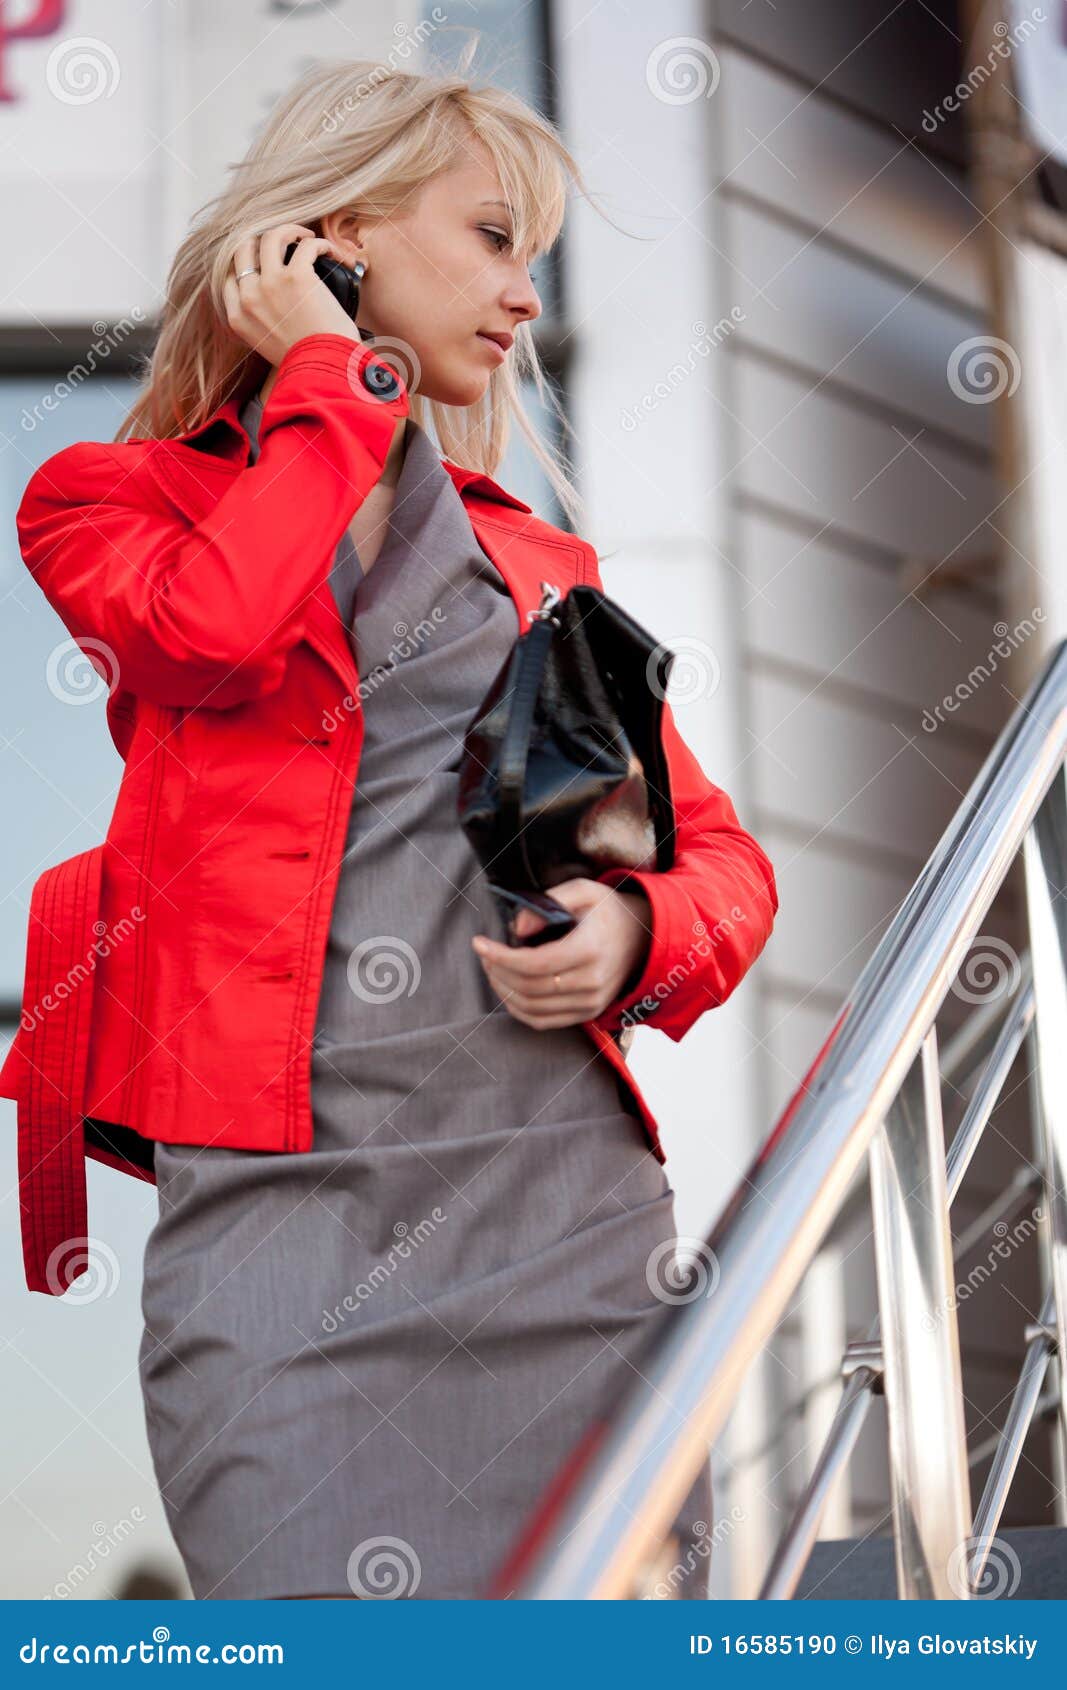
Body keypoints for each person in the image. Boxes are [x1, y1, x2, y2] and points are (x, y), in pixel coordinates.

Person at [3, 58, 778, 1600]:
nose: (523, 300)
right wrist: (336, 384)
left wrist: (637, 931)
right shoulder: (104, 501)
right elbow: (214, 633)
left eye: (535, 261)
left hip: (556, 1210)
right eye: (494, 239)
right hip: (275, 1218)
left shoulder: (539, 560)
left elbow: (727, 865)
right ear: (337, 235)